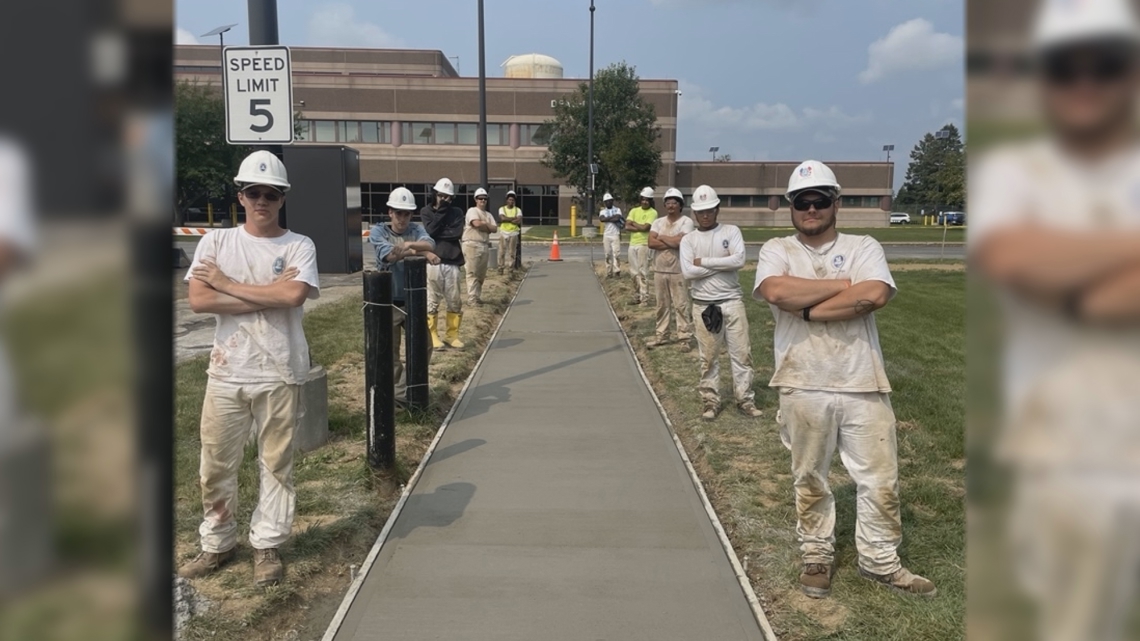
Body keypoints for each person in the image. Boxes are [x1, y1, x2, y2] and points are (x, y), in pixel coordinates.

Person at [971, 0, 1140, 637]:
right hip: (1064, 445)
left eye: (1107, 65)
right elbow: (1014, 258)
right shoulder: (1016, 172)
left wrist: (1079, 276)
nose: (1086, 82)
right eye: (1068, 68)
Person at [752, 159, 935, 600]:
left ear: (836, 203)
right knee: (810, 477)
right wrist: (843, 285)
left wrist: (807, 309)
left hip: (862, 380)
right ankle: (816, 554)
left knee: (880, 480)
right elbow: (775, 291)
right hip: (801, 379)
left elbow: (874, 293)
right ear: (791, 207)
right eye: (802, 202)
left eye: (819, 201)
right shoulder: (778, 249)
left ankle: (879, 561)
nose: (811, 209)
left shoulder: (864, 245)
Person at [179, 150, 320, 587]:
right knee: (215, 465)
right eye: (254, 192)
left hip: (280, 370)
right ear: (240, 196)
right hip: (227, 370)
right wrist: (267, 293)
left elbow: (293, 297)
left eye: (271, 194)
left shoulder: (298, 245)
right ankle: (217, 543)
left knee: (276, 465)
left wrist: (226, 284)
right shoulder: (216, 243)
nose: (262, 200)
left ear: (282, 198)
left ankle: (267, 545)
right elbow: (199, 300)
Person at [679, 185, 763, 421]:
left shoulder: (731, 231)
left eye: (709, 210)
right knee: (708, 357)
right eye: (701, 212)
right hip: (704, 304)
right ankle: (710, 400)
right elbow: (688, 272)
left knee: (742, 354)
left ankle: (745, 399)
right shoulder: (689, 240)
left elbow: (738, 260)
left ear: (717, 209)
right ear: (695, 213)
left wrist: (704, 262)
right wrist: (722, 263)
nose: (705, 215)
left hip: (732, 300)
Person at [369, 187, 440, 405]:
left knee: (424, 345)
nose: (402, 218)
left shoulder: (415, 230)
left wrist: (410, 245)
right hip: (388, 301)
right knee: (390, 352)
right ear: (390, 212)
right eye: (398, 213)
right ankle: (396, 396)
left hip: (412, 301)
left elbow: (431, 243)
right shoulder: (378, 232)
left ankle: (406, 388)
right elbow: (389, 256)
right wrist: (421, 252)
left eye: (406, 213)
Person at [421, 178, 466, 349]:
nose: (444, 199)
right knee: (432, 299)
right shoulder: (426, 211)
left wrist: (439, 231)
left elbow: (457, 233)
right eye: (441, 195)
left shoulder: (457, 212)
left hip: (452, 260)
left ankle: (452, 335)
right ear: (435, 194)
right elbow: (430, 231)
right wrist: (441, 212)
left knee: (454, 299)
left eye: (448, 197)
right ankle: (432, 335)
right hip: (433, 262)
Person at [647, 188, 695, 351]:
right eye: (668, 203)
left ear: (680, 205)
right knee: (662, 305)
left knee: (681, 305)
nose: (671, 206)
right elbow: (651, 243)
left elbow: (682, 242)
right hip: (659, 269)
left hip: (678, 270)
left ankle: (684, 337)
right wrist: (672, 240)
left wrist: (661, 237)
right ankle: (661, 335)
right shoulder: (658, 222)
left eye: (674, 203)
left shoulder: (686, 222)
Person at [462, 188, 497, 305]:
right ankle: (472, 298)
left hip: (484, 245)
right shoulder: (472, 211)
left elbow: (494, 229)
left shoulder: (488, 214)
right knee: (472, 272)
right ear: (475, 199)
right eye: (480, 198)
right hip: (472, 244)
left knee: (481, 274)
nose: (483, 200)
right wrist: (487, 225)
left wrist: (485, 224)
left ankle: (477, 296)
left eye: (485, 198)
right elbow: (476, 224)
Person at [625, 186, 658, 305]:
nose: (644, 202)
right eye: (643, 199)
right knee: (633, 272)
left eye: (647, 200)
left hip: (644, 244)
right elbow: (627, 226)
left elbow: (646, 228)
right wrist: (639, 226)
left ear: (651, 201)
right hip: (632, 244)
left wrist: (633, 223)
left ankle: (644, 298)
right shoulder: (634, 211)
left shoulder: (653, 212)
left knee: (643, 272)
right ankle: (637, 296)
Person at [598, 192, 624, 278]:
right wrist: (612, 218)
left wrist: (607, 219)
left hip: (615, 234)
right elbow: (602, 219)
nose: (608, 202)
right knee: (607, 254)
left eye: (610, 201)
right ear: (604, 202)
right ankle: (609, 272)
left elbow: (618, 217)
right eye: (606, 201)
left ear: (612, 201)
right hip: (607, 235)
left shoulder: (617, 209)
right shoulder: (602, 211)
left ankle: (617, 271)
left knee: (616, 254)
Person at [497, 190, 522, 277]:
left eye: (512, 200)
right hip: (504, 232)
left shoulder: (518, 210)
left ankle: (510, 270)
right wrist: (513, 218)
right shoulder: (502, 209)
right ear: (507, 200)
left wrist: (508, 219)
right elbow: (502, 218)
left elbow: (518, 220)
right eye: (509, 199)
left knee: (511, 253)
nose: (511, 201)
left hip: (513, 233)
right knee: (501, 252)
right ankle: (500, 269)